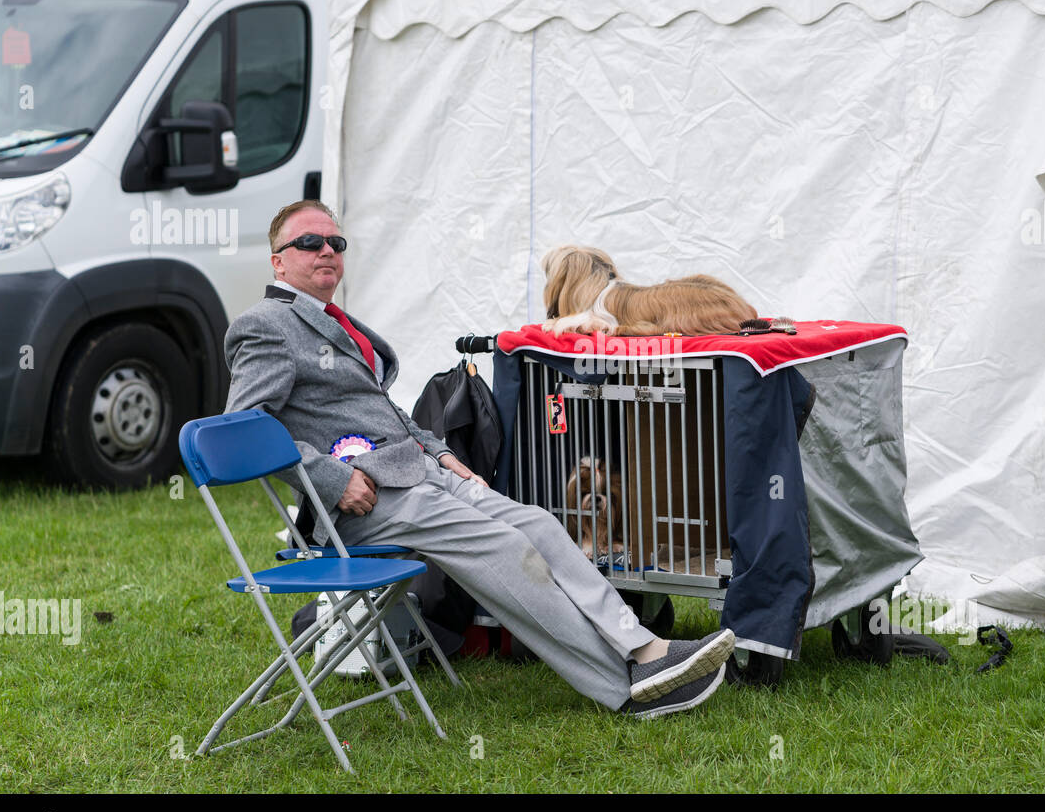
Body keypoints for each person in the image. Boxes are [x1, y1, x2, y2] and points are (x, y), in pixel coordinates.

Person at [223, 200, 734, 718]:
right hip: (365, 502)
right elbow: (244, 429)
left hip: (423, 476)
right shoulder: (265, 325)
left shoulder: (335, 320)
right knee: (507, 549)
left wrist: (443, 454)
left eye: (336, 243)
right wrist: (333, 479)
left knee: (538, 524)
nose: (327, 251)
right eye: (310, 242)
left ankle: (646, 650)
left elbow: (384, 413)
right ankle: (623, 688)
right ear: (278, 261)